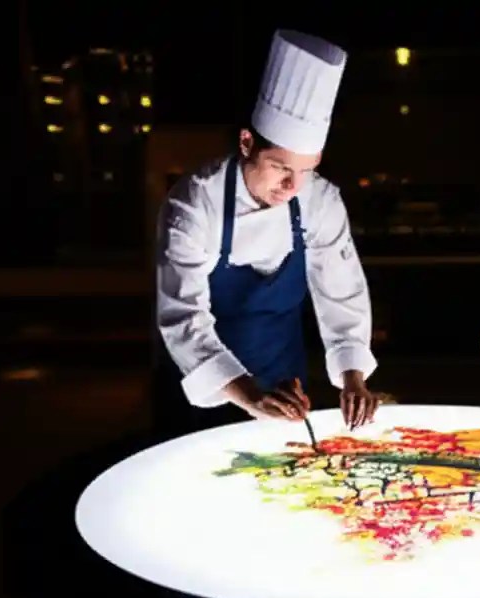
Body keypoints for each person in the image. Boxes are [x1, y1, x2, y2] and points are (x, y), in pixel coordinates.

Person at [154, 29, 380, 436]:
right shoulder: (194, 204)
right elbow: (183, 317)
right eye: (280, 168)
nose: (293, 186)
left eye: (306, 170)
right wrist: (248, 396)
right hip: (201, 383)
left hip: (283, 376)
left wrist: (353, 378)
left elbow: (341, 292)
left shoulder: (319, 200)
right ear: (246, 142)